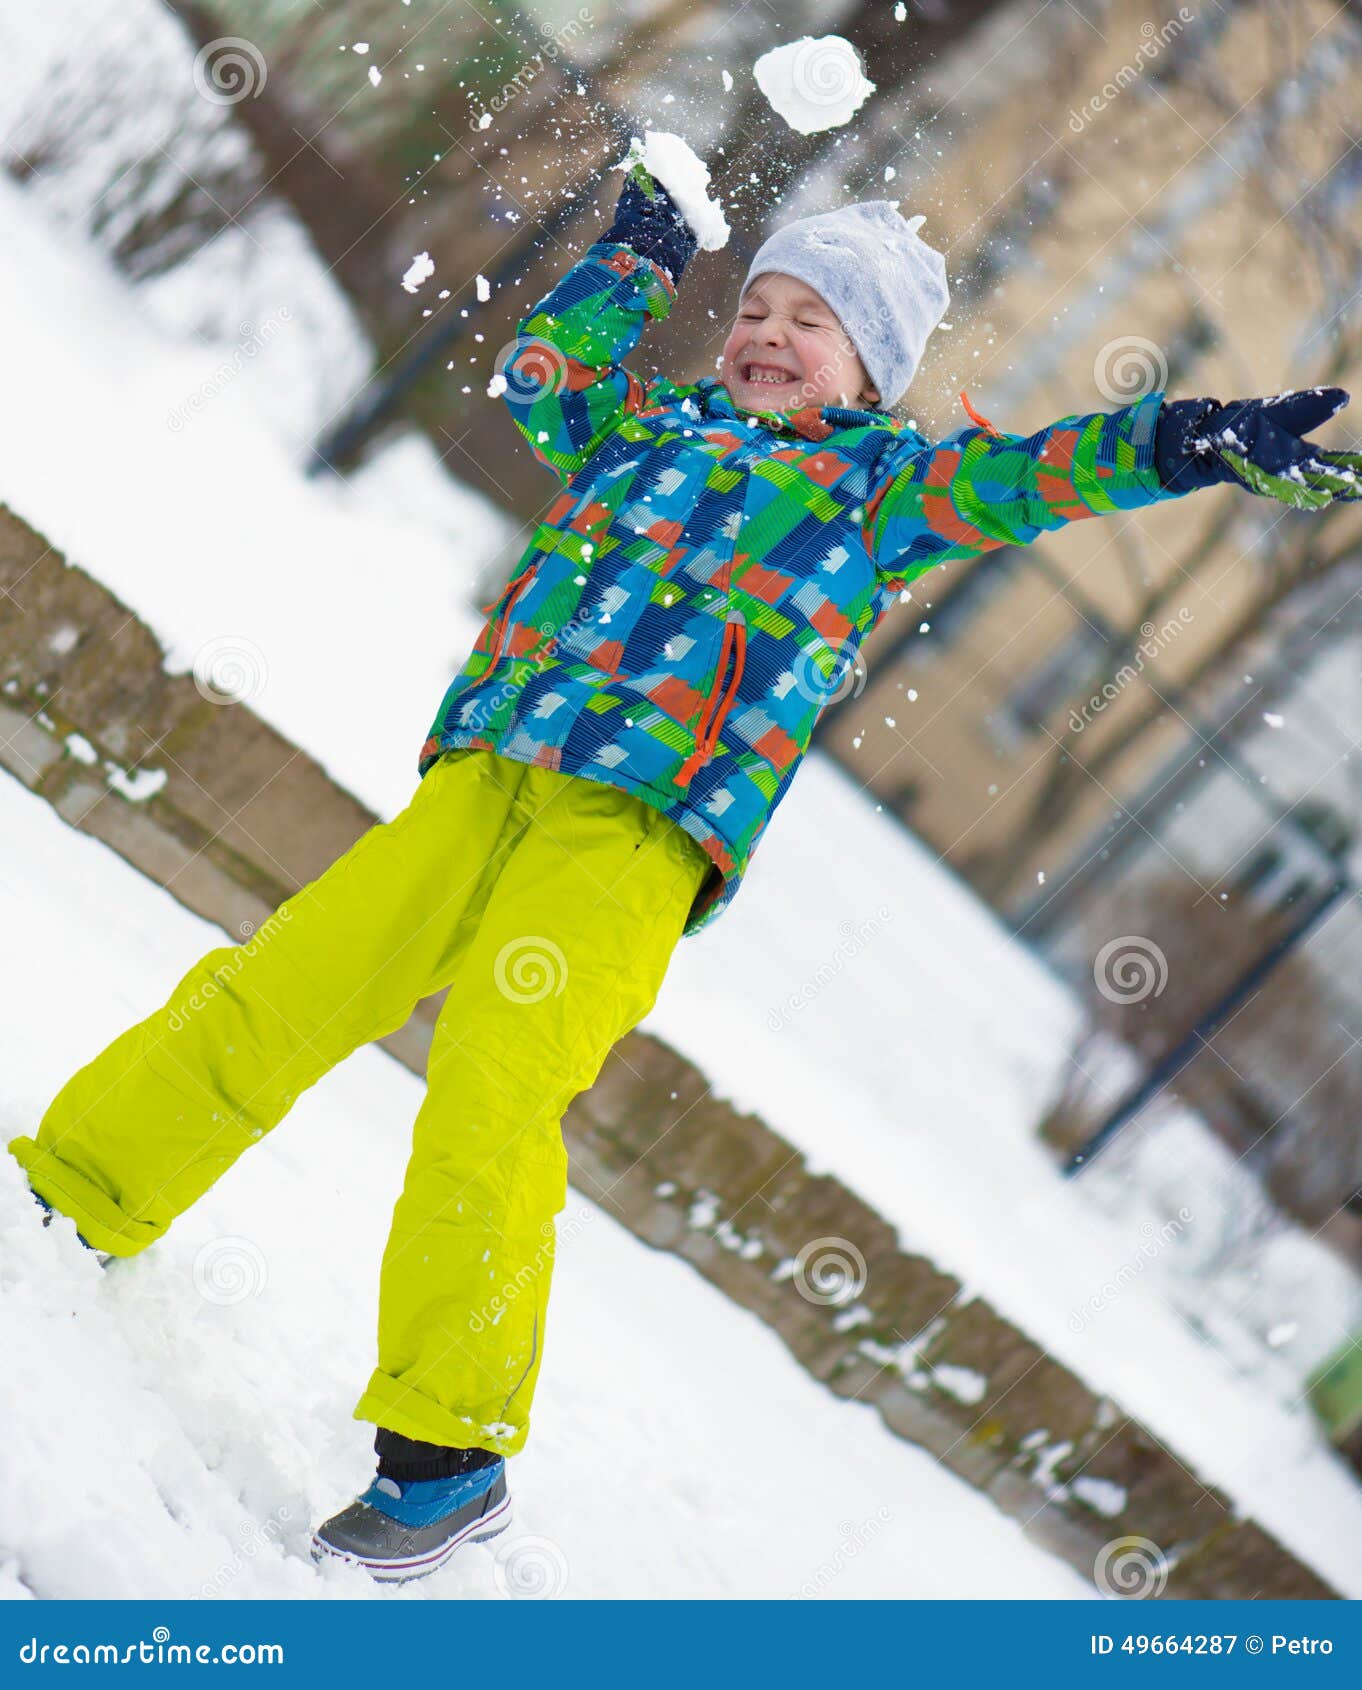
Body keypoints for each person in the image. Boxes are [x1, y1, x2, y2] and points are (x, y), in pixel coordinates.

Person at [9, 159, 1357, 1585]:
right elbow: (540, 373)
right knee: (276, 987)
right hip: (490, 774)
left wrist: (1192, 435)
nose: (770, 332)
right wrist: (636, 256)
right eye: (757, 305)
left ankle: (445, 1458)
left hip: (635, 833)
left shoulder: (880, 489)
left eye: (812, 322)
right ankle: (77, 1192)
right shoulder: (640, 428)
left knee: (490, 1095)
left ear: (868, 372)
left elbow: (1035, 477)